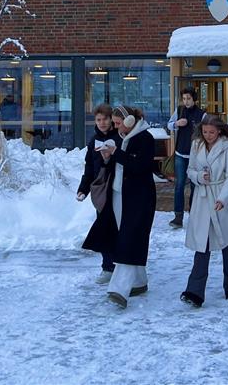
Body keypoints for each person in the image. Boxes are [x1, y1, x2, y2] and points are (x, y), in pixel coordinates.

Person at [83, 104, 156, 309]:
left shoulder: (145, 138)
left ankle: (119, 288)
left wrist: (117, 153)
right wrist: (107, 158)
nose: (115, 127)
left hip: (138, 196)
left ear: (130, 121)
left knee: (129, 238)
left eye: (117, 123)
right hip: (118, 194)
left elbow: (141, 166)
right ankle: (139, 282)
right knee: (126, 236)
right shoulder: (119, 138)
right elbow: (111, 166)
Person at [180, 113, 228, 308]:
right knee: (203, 243)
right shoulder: (196, 145)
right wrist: (199, 177)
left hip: (220, 197)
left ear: (219, 131)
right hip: (202, 199)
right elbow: (190, 169)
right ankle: (194, 291)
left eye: (211, 132)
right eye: (205, 132)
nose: (208, 135)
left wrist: (223, 198)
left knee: (226, 243)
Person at [77, 104, 117, 282]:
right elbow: (89, 168)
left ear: (111, 119)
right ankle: (107, 267)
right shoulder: (93, 141)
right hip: (101, 191)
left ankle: (122, 265)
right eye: (98, 119)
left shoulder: (118, 137)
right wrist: (83, 189)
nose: (102, 123)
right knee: (103, 228)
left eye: (105, 119)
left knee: (119, 228)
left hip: (118, 189)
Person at [166, 87, 204, 228]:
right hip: (180, 154)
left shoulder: (202, 114)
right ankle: (178, 217)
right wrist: (176, 123)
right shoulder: (179, 111)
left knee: (195, 186)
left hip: (196, 156)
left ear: (194, 99)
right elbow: (169, 125)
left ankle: (194, 215)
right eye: (184, 98)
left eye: (188, 98)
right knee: (179, 185)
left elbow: (207, 131)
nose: (186, 101)